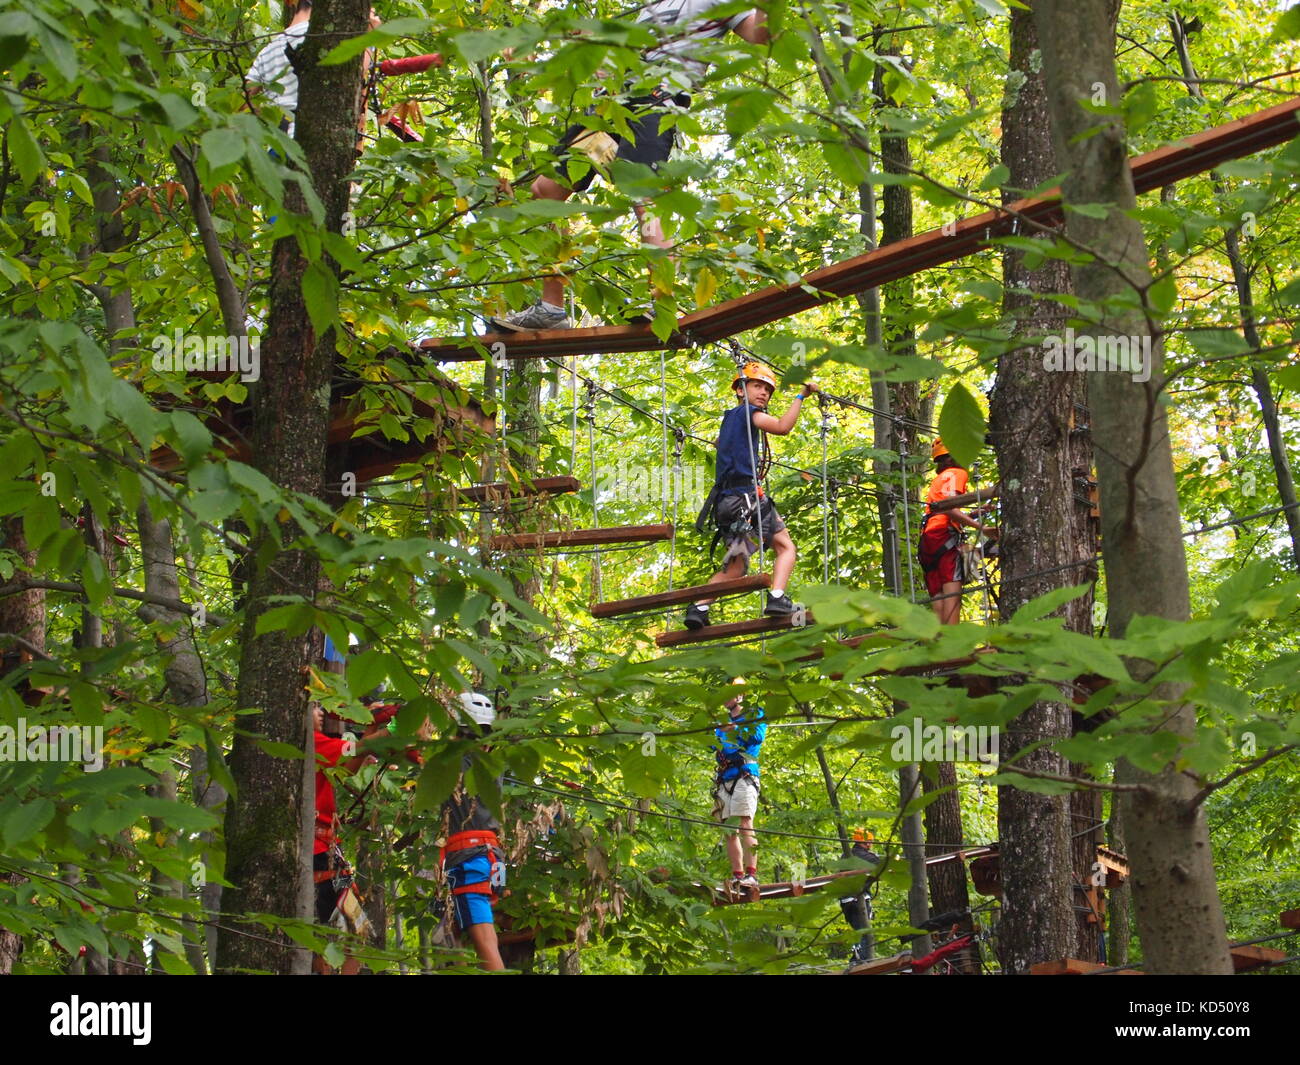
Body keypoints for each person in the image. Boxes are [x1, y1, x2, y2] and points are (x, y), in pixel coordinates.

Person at [491, 2, 770, 332]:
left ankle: (662, 300)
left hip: (656, 100)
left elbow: (760, 35)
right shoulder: (651, 6)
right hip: (608, 105)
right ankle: (551, 309)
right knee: (544, 192)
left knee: (644, 195)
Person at [685, 362, 818, 630]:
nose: (763, 393)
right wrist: (801, 396)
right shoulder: (750, 413)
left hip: (726, 503)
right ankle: (777, 597)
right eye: (757, 386)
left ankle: (699, 607)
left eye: (767, 390)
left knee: (736, 569)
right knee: (786, 547)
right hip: (746, 499)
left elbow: (722, 445)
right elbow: (782, 426)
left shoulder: (729, 420)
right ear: (740, 390)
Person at [311, 701, 388, 975]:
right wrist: (394, 728)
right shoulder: (311, 743)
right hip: (317, 852)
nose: (320, 713)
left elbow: (349, 766)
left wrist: (370, 726)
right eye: (314, 708)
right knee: (325, 934)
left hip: (328, 851)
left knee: (357, 930)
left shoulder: (320, 745)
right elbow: (356, 750)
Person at [440, 691, 506, 971]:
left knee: (485, 944)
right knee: (466, 932)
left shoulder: (453, 761)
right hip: (488, 858)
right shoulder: (492, 764)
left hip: (470, 860)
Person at [246, 2, 382, 138]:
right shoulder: (322, 37)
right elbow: (353, 72)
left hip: (276, 140)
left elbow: (244, 102)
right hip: (311, 137)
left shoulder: (268, 49)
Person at [918, 438, 996, 625]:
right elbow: (948, 507)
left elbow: (942, 510)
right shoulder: (957, 473)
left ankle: (939, 640)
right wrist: (983, 529)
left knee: (939, 599)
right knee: (952, 595)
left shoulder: (940, 478)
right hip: (944, 537)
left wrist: (974, 514)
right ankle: (952, 638)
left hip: (928, 540)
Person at [711, 679, 766, 890]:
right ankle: (737, 875)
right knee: (728, 829)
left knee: (744, 823)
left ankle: (752, 875)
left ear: (740, 695)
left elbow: (757, 737)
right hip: (726, 777)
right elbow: (712, 745)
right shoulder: (721, 721)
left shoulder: (754, 714)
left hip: (745, 774)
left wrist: (735, 728)